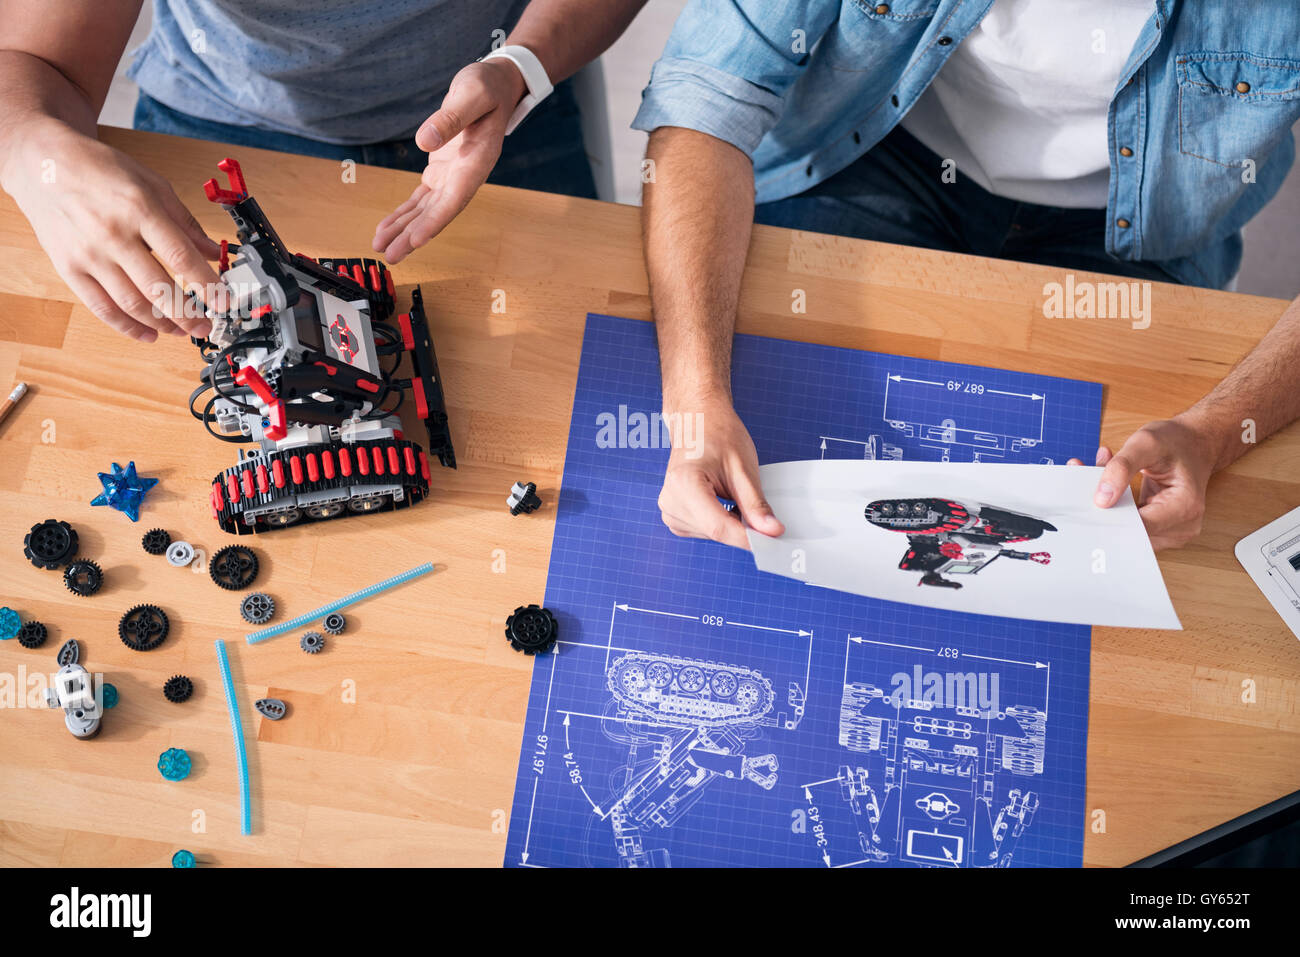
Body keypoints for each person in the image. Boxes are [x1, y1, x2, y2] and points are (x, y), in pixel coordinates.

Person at [634, 0, 1300, 551]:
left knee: (1105, 540)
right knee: (770, 449)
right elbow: (704, 96)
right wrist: (694, 404)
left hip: (1144, 226)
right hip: (875, 148)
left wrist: (1213, 434)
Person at [0, 0, 644, 340]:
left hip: (500, 90)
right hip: (223, 114)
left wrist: (522, 68)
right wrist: (37, 155)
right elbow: (32, 62)